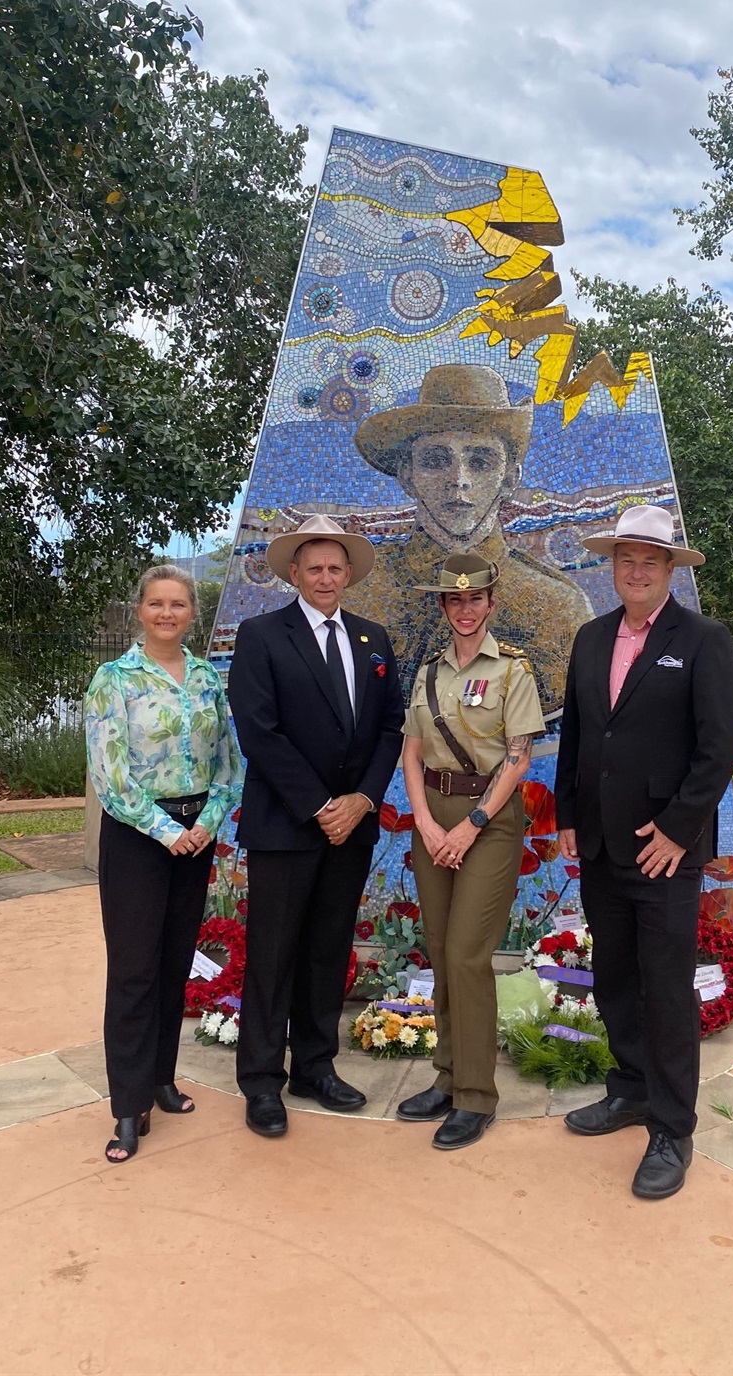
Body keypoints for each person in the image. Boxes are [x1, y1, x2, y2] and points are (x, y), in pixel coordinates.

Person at [554, 504, 733, 1200]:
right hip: (603, 844)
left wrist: (676, 829)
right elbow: (576, 735)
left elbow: (717, 748)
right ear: (613, 567)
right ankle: (630, 1090)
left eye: (649, 560)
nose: (635, 569)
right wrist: (569, 816)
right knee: (615, 979)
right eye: (624, 558)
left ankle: (671, 1129)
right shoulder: (590, 638)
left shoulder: (703, 641)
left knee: (665, 991)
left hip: (666, 850)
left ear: (669, 569)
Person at [227, 515, 404, 1137]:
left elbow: (389, 728)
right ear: (294, 574)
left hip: (350, 826)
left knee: (329, 951)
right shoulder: (261, 635)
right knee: (272, 956)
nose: (326, 577)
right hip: (287, 824)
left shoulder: (373, 639)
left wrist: (360, 799)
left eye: (336, 567)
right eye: (315, 568)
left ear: (348, 574)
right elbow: (259, 732)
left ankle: (314, 1066)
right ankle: (261, 1082)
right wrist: (318, 805)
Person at [84, 563, 243, 1165]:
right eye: (157, 604)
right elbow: (110, 774)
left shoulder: (206, 678)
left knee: (177, 959)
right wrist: (165, 830)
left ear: (192, 613)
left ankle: (160, 1079)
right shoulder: (114, 680)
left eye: (178, 605)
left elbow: (229, 763)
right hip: (137, 836)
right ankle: (128, 1106)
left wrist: (206, 822)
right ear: (140, 610)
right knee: (133, 969)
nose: (167, 614)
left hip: (195, 835)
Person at [395, 552, 545, 1150]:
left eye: (475, 599)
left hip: (490, 820)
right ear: (442, 606)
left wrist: (471, 824)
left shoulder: (512, 670)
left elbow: (519, 756)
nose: (464, 610)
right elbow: (411, 753)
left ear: (491, 603)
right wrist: (428, 824)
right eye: (453, 601)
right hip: (435, 816)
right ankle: (449, 1077)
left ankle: (477, 1096)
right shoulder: (428, 671)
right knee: (439, 950)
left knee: (466, 952)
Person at [351, 364, 593, 711]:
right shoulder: (361, 595)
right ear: (407, 476)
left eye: (480, 461)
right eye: (436, 460)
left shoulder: (558, 609)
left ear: (509, 478)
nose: (459, 479)